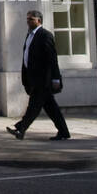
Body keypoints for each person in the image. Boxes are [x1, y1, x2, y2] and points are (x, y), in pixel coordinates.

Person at [7, 9, 70, 141]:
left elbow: (52, 59)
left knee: (34, 107)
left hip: (43, 80)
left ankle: (21, 128)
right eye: (27, 19)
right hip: (33, 78)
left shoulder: (45, 35)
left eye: (31, 19)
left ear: (38, 20)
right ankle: (63, 132)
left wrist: (56, 78)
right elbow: (27, 57)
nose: (28, 22)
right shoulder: (29, 35)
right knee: (51, 108)